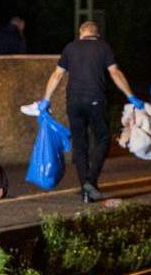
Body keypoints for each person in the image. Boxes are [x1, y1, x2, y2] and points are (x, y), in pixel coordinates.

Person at [39, 21, 145, 203]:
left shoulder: (70, 48)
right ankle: (91, 180)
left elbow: (57, 75)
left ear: (81, 33)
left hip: (73, 102)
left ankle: (86, 192)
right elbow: (115, 72)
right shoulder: (103, 48)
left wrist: (46, 99)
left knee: (80, 144)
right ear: (97, 34)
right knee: (102, 138)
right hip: (96, 100)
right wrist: (131, 96)